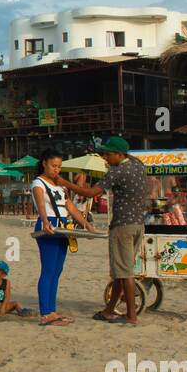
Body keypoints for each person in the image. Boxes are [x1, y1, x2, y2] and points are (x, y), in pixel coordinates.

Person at [73, 136, 149, 326]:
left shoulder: (117, 171)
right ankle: (109, 310)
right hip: (138, 224)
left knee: (125, 273)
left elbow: (90, 193)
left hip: (122, 226)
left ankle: (131, 316)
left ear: (119, 154)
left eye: (108, 154)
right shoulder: (138, 166)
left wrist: (64, 183)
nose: (105, 158)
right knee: (120, 271)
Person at [30, 150, 84, 327]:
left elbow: (71, 208)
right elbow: (40, 205)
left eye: (59, 167)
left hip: (63, 225)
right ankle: (45, 313)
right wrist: (45, 222)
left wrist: (87, 225)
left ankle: (52, 311)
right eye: (54, 166)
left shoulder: (60, 186)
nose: (57, 170)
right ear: (44, 163)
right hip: (49, 226)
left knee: (57, 270)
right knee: (48, 270)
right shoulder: (38, 183)